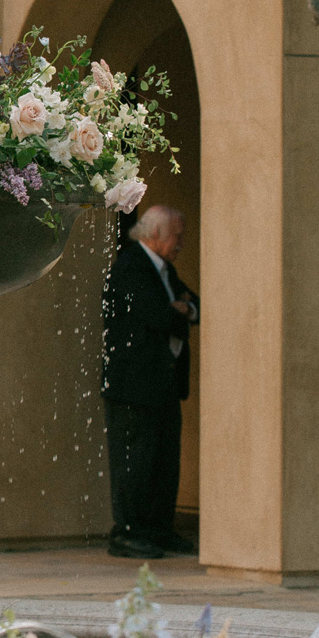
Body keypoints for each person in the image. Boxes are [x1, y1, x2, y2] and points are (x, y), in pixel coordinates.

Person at [101, 205, 199, 559]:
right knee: (134, 463)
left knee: (164, 461)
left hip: (163, 384)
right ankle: (128, 532)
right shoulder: (130, 267)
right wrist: (178, 311)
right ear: (156, 235)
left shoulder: (164, 269)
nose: (181, 243)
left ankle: (159, 529)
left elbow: (195, 305)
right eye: (178, 235)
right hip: (133, 385)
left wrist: (184, 309)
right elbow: (156, 316)